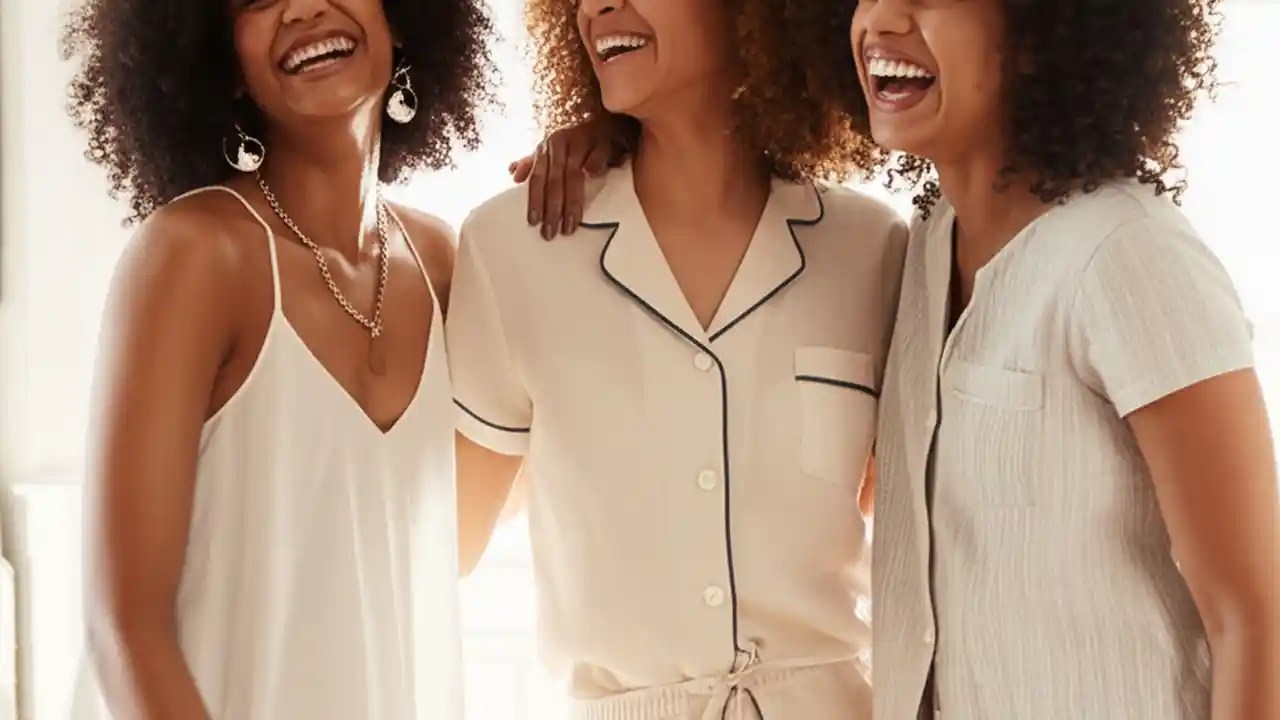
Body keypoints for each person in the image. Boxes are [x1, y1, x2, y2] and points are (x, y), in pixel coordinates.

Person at [447, 0, 904, 717]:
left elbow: (911, 529)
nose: (596, 7)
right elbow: (443, 545)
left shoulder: (870, 249)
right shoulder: (515, 247)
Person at [846, 0, 1280, 718]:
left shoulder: (1127, 252)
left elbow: (1254, 616)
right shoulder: (922, 247)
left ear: (1039, 30)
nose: (881, 19)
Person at [61, 0, 494, 717]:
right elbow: (125, 628)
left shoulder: (440, 263)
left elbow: (450, 544)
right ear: (225, 63)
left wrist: (583, 194)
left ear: (401, 17)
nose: (303, 8)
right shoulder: (197, 254)